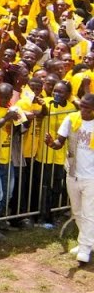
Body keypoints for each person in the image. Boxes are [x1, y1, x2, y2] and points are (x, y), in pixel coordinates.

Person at [44, 93, 94, 263]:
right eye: (82, 106)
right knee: (78, 211)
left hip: (92, 177)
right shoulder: (71, 119)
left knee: (89, 213)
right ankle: (87, 242)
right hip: (73, 174)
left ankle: (85, 248)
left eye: (87, 108)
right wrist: (51, 143)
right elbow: (59, 143)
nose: (83, 110)